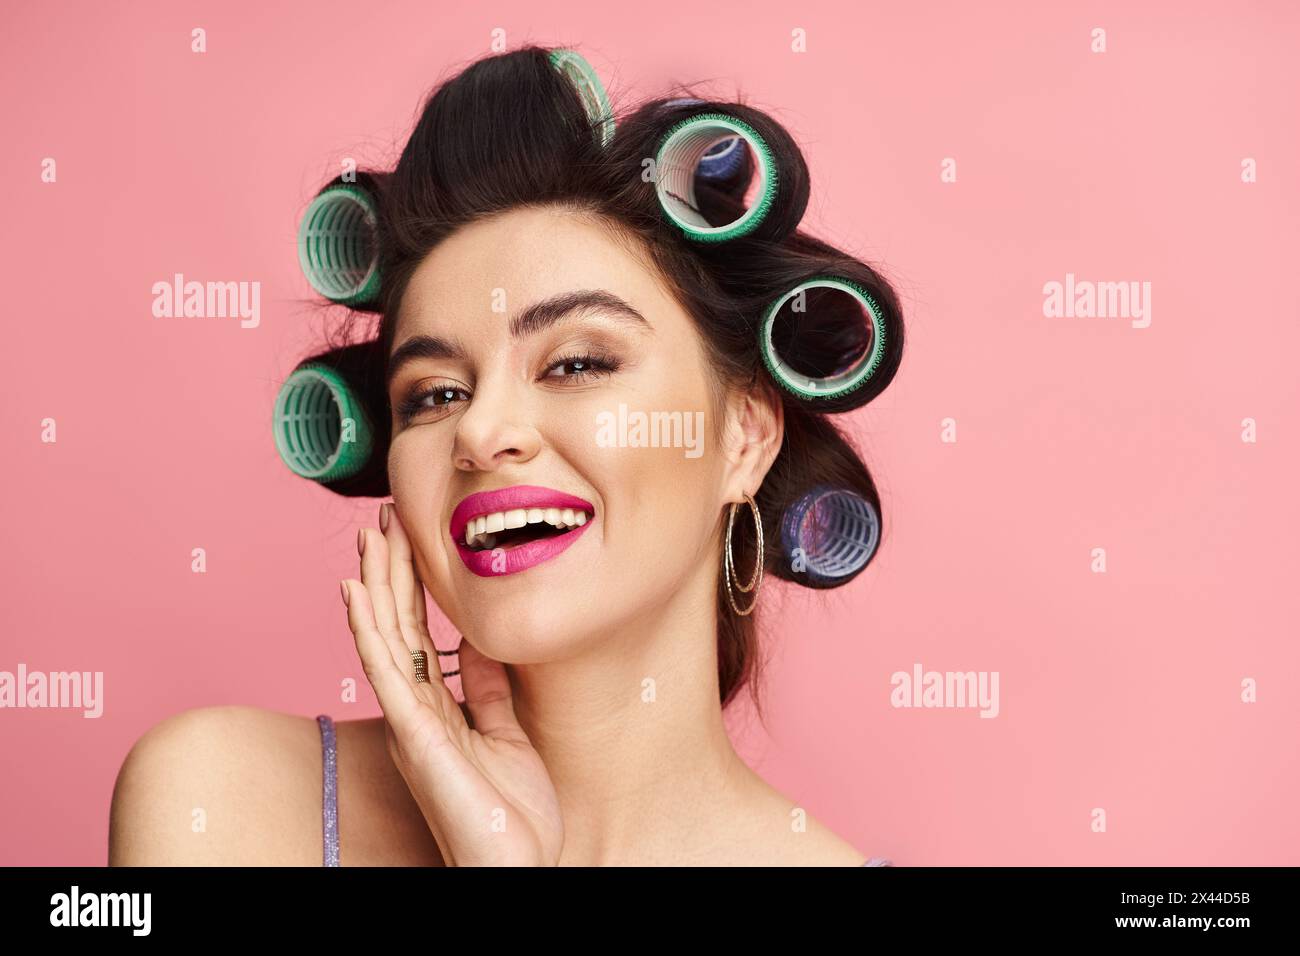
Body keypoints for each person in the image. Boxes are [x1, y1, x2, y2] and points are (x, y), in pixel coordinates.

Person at [109, 45, 903, 867]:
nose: (481, 433)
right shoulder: (222, 802)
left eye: (577, 364)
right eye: (434, 394)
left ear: (743, 435)